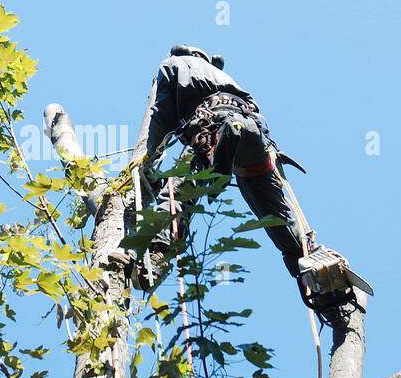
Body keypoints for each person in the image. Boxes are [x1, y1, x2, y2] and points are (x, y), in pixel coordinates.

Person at [132, 44, 365, 320]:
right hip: (256, 139)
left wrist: (146, 163)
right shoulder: (227, 79)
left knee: (179, 191)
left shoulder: (173, 65)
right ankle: (325, 284)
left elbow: (159, 115)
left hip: (215, 127)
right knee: (281, 222)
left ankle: (158, 254)